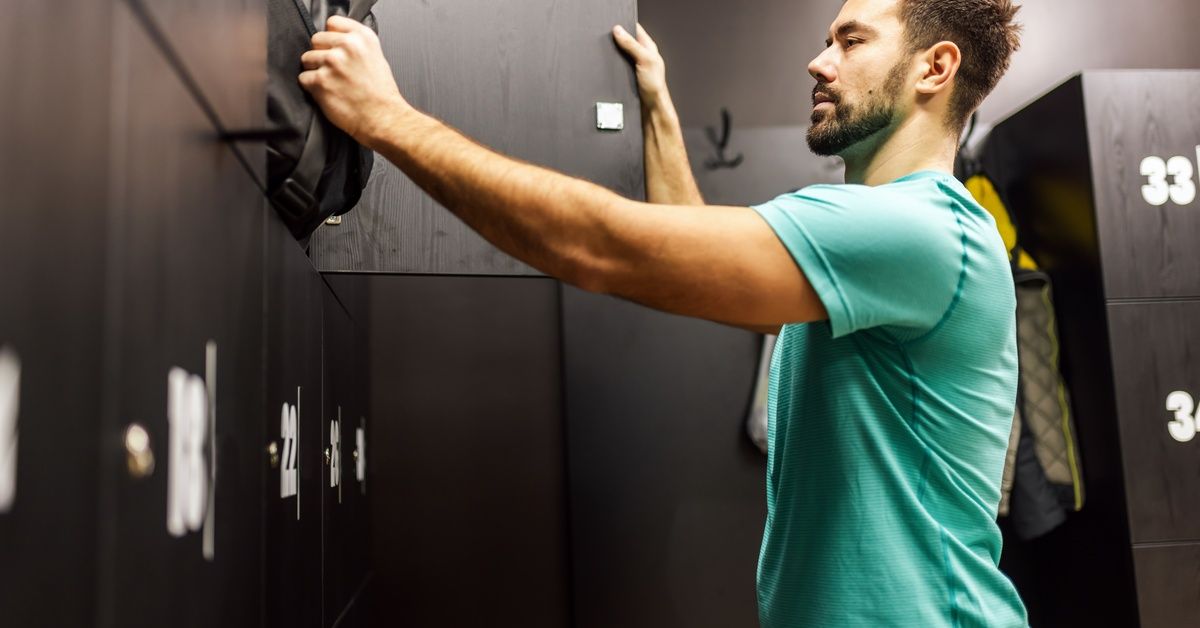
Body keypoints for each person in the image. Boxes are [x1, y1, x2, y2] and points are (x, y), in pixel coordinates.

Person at [298, 0, 1027, 624]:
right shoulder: (888, 245)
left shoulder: (920, 232)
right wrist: (658, 109)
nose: (818, 61)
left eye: (851, 39)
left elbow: (603, 250)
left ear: (936, 68)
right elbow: (695, 257)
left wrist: (386, 119)